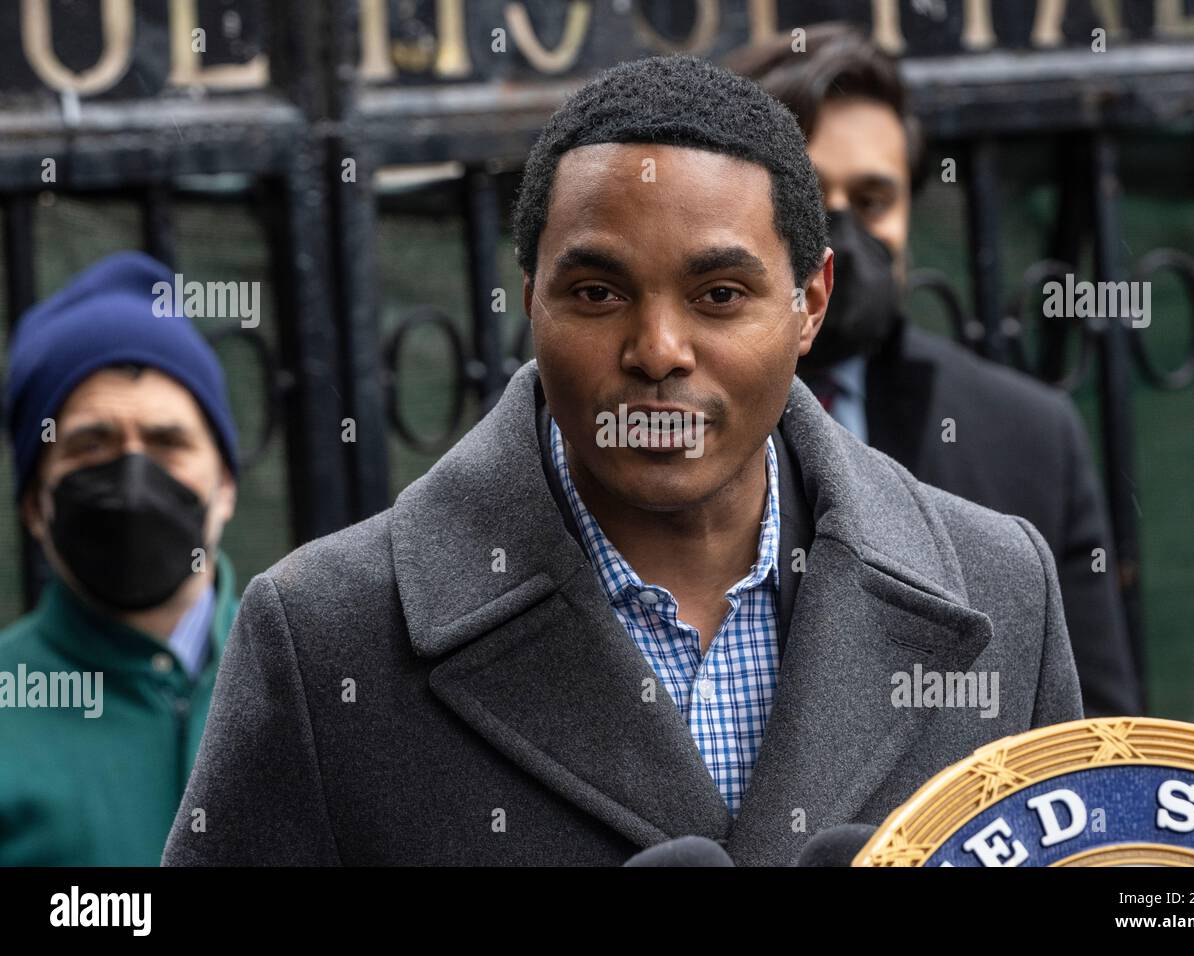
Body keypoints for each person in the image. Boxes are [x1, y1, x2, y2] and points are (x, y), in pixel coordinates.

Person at [163, 54, 1080, 868]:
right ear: (531, 302)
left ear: (810, 303)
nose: (658, 349)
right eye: (598, 293)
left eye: (719, 294)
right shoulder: (326, 637)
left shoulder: (1002, 594)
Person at [728, 24, 1141, 717]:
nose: (840, 235)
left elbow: (1094, 744)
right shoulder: (670, 420)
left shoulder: (1026, 441)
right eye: (805, 200)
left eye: (871, 201)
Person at [0, 251, 241, 865]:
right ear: (34, 505)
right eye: (91, 445)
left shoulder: (322, 671)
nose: (134, 477)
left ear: (226, 488)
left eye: (167, 442)